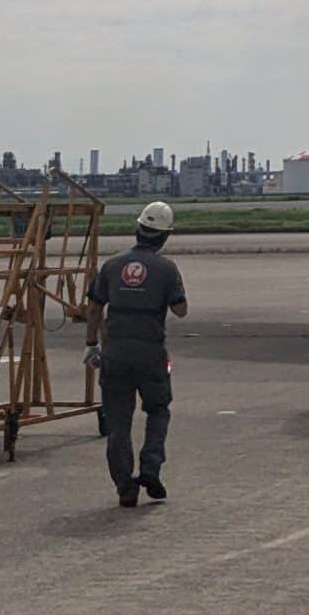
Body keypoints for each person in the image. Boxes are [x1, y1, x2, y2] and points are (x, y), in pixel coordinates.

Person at [85, 201, 186, 508]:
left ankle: (125, 487)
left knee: (118, 423)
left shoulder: (113, 265)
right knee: (158, 409)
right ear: (164, 237)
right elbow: (180, 310)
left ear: (138, 228)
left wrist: (92, 344)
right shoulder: (167, 269)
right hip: (150, 351)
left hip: (114, 352)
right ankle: (151, 466)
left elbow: (93, 306)